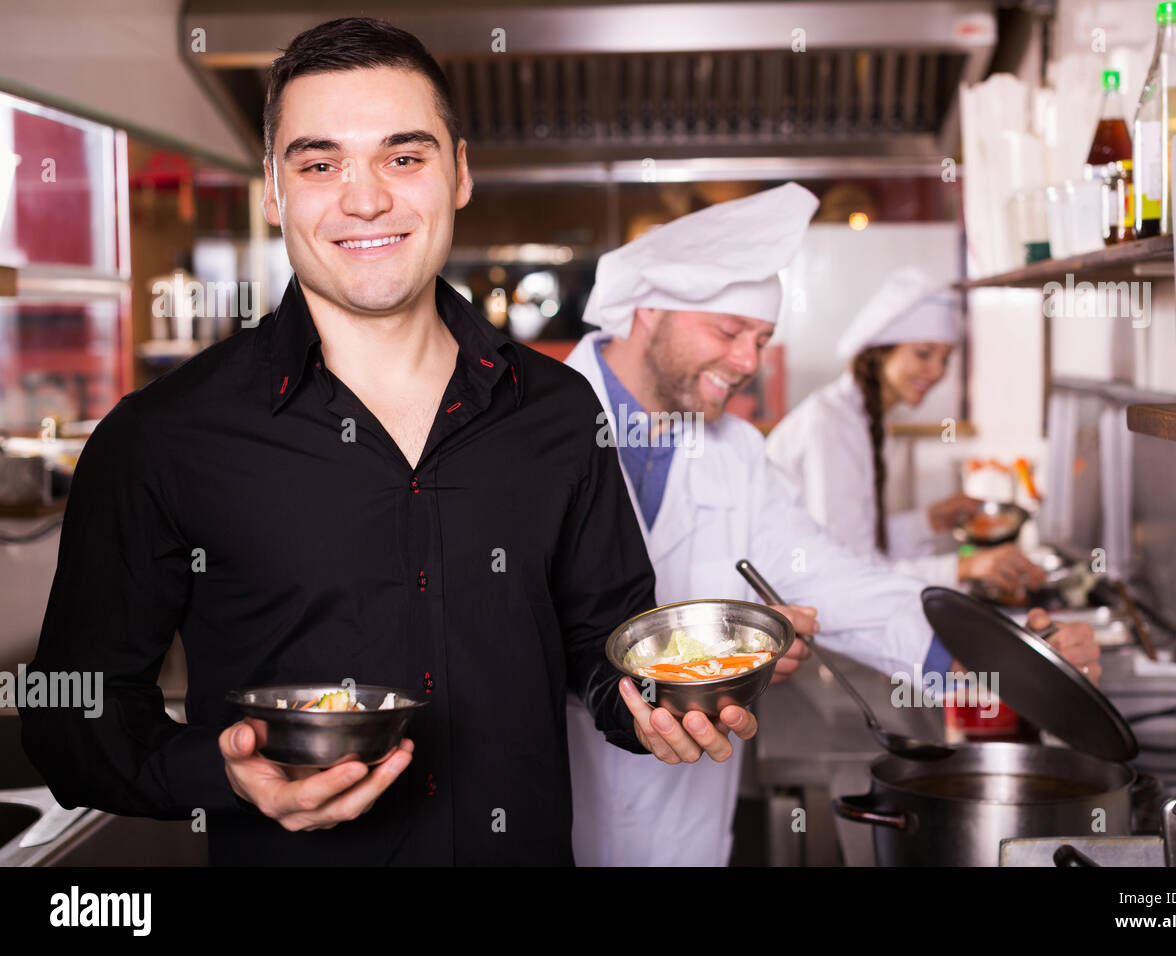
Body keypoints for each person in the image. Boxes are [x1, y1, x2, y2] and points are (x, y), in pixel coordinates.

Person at [19, 16, 754, 867]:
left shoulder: (557, 410)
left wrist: (665, 708)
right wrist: (223, 775)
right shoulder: (161, 437)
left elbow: (601, 643)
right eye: (320, 162)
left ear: (460, 173)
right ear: (273, 188)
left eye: (403, 157)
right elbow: (68, 713)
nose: (364, 199)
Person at [564, 183, 1102, 866]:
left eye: (760, 340)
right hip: (556, 804)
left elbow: (831, 578)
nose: (748, 364)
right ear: (648, 310)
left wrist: (1008, 653)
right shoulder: (529, 435)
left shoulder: (734, 452)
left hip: (684, 823)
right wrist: (710, 650)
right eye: (729, 332)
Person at [767, 268, 1046, 605]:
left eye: (945, 358)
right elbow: (850, 567)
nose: (938, 372)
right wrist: (965, 566)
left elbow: (860, 541)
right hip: (792, 607)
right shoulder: (832, 424)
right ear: (881, 351)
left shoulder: (867, 419)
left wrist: (929, 521)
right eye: (924, 353)